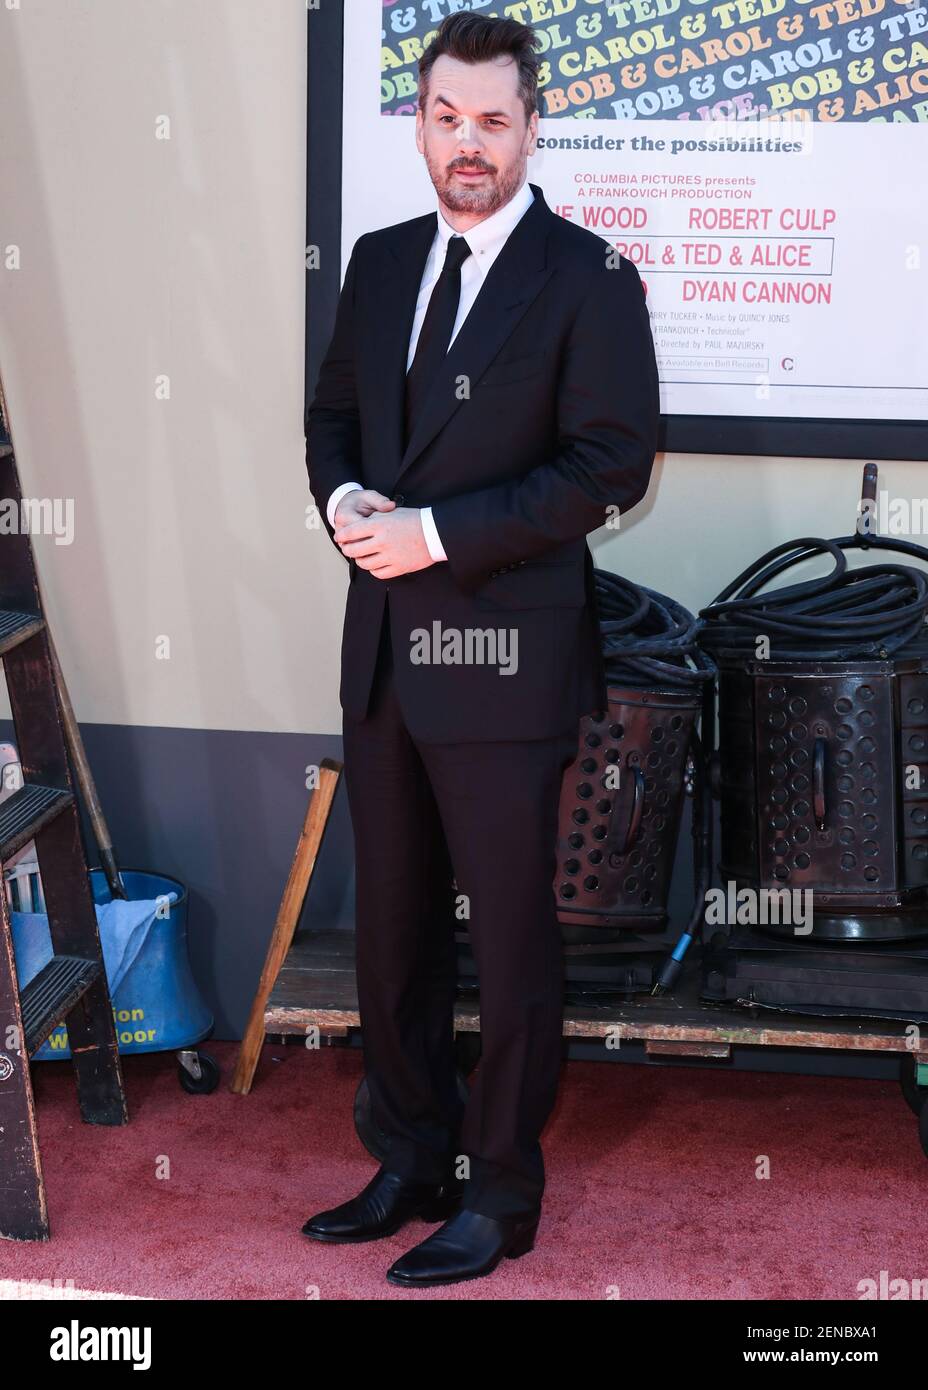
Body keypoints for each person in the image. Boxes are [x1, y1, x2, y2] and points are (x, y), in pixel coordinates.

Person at [303, 11, 659, 1288]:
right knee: (391, 928)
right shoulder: (382, 261)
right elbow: (334, 416)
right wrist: (345, 505)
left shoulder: (589, 278)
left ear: (530, 125)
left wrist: (439, 533)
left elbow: (610, 465)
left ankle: (500, 1190)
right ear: (420, 123)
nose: (469, 143)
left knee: (507, 942)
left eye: (493, 121)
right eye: (446, 118)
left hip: (505, 661)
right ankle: (409, 1156)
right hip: (386, 653)